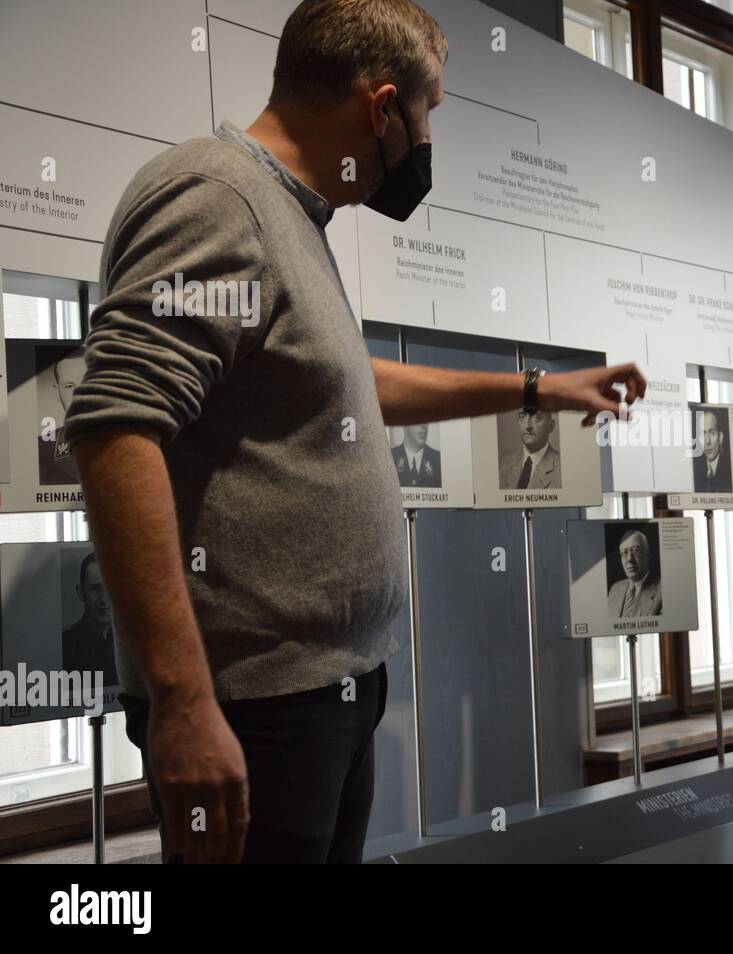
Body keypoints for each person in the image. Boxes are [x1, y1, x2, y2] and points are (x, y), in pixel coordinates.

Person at [65, 0, 645, 865]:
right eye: (429, 111)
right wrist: (183, 702)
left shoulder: (287, 214)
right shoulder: (218, 197)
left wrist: (539, 389)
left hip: (323, 694)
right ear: (381, 109)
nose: (427, 139)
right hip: (254, 709)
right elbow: (116, 425)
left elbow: (352, 386)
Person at [61, 552, 119, 686]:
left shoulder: (132, 643)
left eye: (109, 588)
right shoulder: (67, 644)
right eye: (95, 588)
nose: (104, 599)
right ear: (81, 592)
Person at [38, 347, 86, 486]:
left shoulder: (130, 442)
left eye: (87, 382)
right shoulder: (41, 450)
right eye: (69, 386)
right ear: (57, 392)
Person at [499, 408, 561, 489]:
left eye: (536, 418)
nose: (527, 426)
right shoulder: (503, 462)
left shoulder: (561, 468)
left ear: (550, 426)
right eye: (522, 416)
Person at [607, 530, 662, 618]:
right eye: (624, 552)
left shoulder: (662, 590)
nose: (629, 559)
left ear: (648, 554)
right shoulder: (615, 589)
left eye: (636, 551)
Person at [692, 407, 731, 494]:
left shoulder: (730, 470)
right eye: (703, 434)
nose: (707, 441)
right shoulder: (695, 471)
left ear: (720, 437)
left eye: (712, 433)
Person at [391, 422, 441, 487]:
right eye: (417, 419)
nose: (424, 426)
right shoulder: (390, 457)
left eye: (427, 419)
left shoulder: (438, 459)